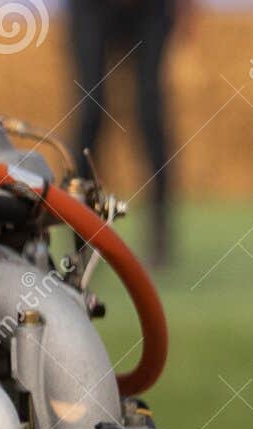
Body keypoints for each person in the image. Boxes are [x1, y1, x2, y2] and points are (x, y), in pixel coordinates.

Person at [67, 0, 195, 270]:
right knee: (90, 113)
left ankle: (159, 238)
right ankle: (81, 237)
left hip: (149, 9)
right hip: (92, 8)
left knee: (151, 113)